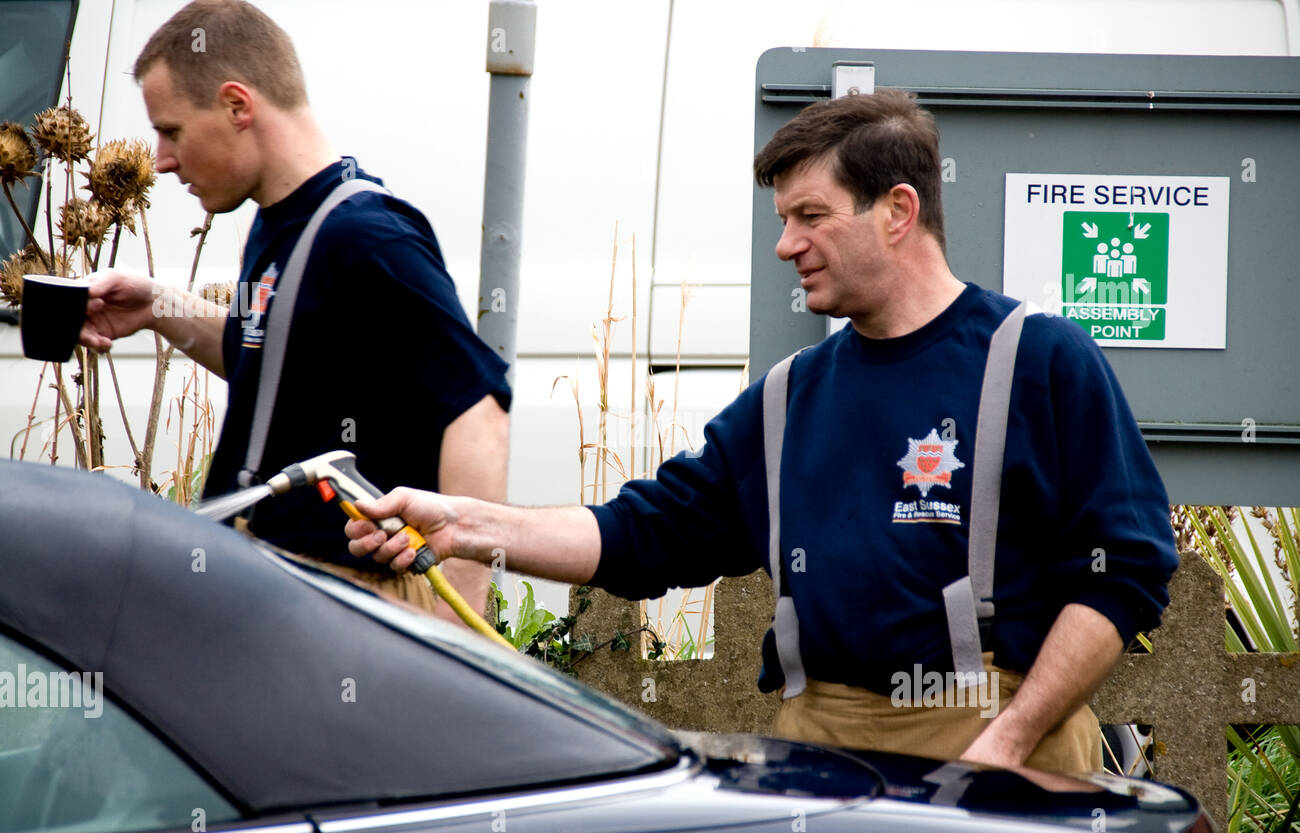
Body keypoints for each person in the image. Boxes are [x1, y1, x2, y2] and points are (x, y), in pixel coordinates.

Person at [344, 90, 1178, 774]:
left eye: (810, 216)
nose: (786, 245)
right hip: (819, 752)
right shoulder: (787, 398)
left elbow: (1125, 570)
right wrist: (464, 525)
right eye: (783, 219)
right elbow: (640, 534)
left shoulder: (1038, 361)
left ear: (898, 210)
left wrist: (1009, 737)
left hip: (1002, 744)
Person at [79, 0, 510, 628]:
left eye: (170, 131)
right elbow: (270, 359)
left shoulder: (367, 238)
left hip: (347, 608)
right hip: (279, 597)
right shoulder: (280, 220)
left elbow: (479, 414)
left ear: (237, 105)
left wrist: (455, 631)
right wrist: (156, 306)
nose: (162, 159)